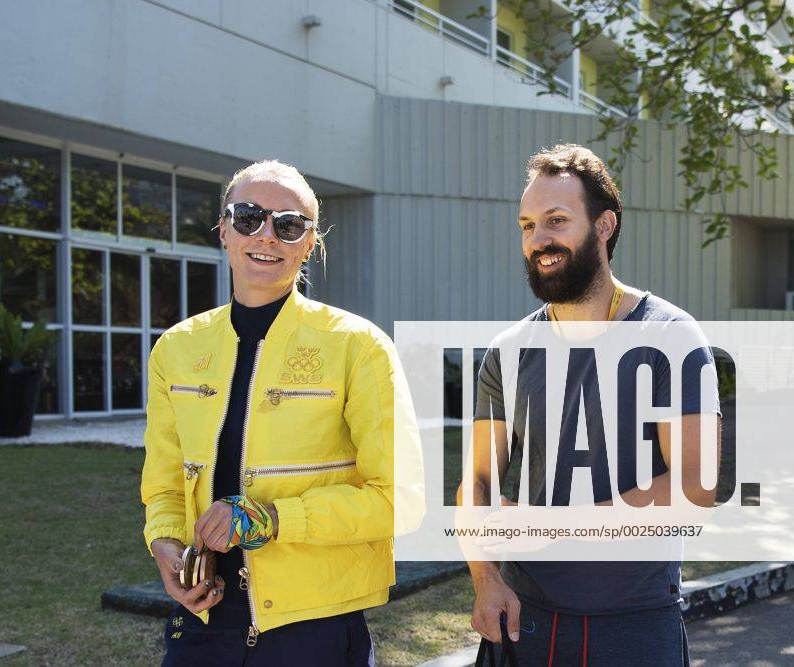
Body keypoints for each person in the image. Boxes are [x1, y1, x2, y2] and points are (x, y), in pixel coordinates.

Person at [141, 160, 418, 666]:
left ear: (309, 244)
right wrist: (163, 544)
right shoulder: (175, 349)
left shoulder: (358, 346)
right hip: (201, 627)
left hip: (315, 628)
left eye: (288, 224)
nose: (266, 235)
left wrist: (269, 519)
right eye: (248, 217)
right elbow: (162, 484)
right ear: (224, 230)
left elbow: (400, 500)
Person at [464, 144, 720, 665]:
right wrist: (486, 580)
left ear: (604, 226)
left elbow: (696, 485)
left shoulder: (670, 336)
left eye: (557, 220)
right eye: (528, 225)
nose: (540, 239)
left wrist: (549, 525)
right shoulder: (508, 351)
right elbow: (478, 482)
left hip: (635, 625)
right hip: (524, 623)